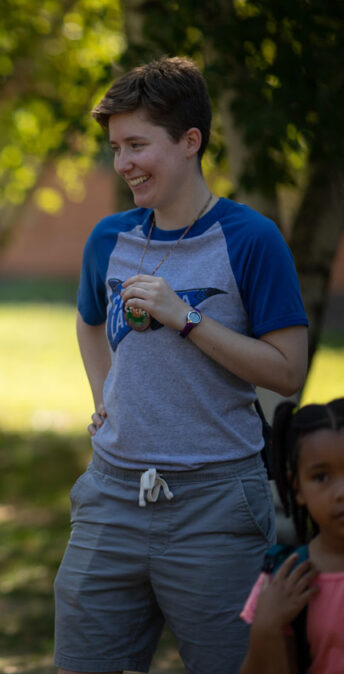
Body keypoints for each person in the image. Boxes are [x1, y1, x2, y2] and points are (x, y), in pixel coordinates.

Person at [54, 56, 310, 674]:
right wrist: (103, 396)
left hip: (216, 501)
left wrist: (186, 318)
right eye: (116, 148)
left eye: (138, 145)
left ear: (190, 141)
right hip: (111, 493)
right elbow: (89, 322)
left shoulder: (251, 239)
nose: (123, 164)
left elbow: (287, 371)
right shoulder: (108, 239)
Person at [240, 399, 344, 674]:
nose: (340, 492)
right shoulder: (284, 578)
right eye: (322, 477)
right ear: (297, 487)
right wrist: (266, 625)